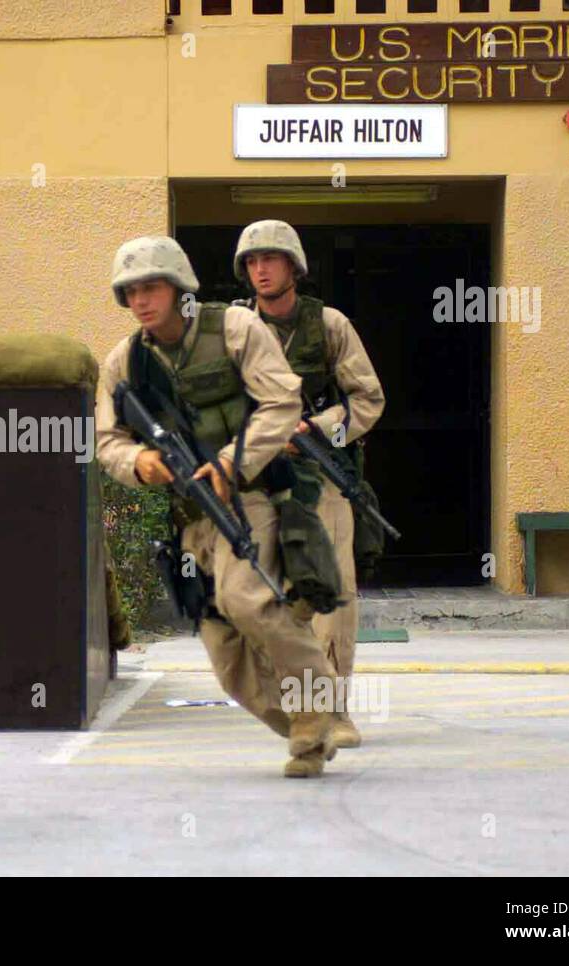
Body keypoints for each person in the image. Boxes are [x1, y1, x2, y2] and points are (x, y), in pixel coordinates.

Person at [95, 235, 339, 778]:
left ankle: (312, 712)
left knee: (248, 599)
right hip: (190, 521)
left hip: (250, 494)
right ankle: (306, 730)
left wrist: (231, 463)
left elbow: (281, 401)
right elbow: (106, 440)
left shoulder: (234, 329)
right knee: (226, 661)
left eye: (151, 287)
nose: (140, 300)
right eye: (130, 291)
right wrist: (139, 462)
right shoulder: (125, 364)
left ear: (179, 287)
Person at [232, 220, 385, 748]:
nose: (260, 269)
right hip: (257, 479)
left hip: (319, 475)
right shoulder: (232, 329)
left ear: (293, 266)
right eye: (252, 262)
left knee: (333, 591)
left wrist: (315, 430)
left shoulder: (330, 325)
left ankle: (334, 710)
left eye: (270, 259)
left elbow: (367, 399)